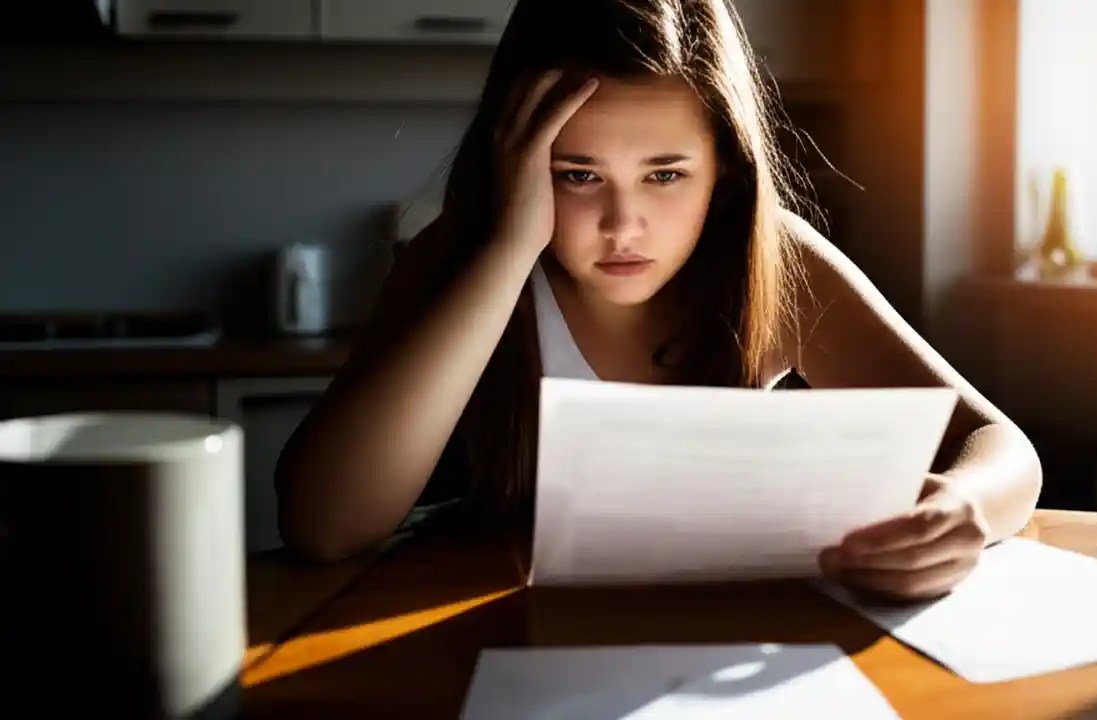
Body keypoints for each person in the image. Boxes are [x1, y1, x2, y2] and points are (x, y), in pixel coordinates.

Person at [276, 0, 1041, 601]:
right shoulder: (462, 254)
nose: (621, 226)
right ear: (514, 164)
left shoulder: (772, 259)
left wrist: (961, 508)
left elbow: (1000, 448)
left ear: (726, 173)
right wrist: (506, 252)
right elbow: (323, 525)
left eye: (666, 175)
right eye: (578, 174)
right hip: (513, 644)